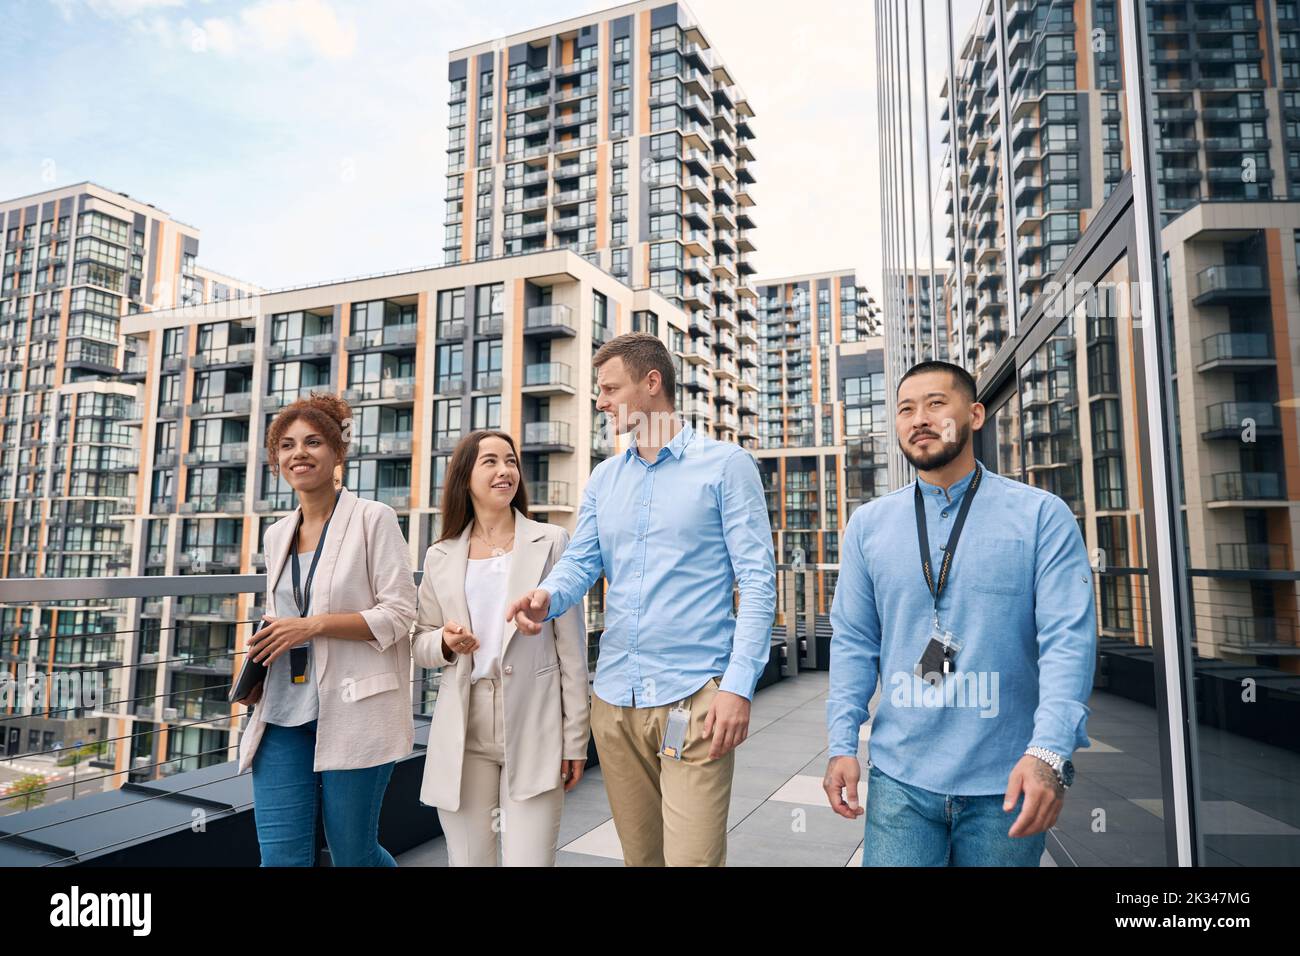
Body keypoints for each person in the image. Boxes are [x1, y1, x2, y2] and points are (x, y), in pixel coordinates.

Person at [506, 333, 776, 867]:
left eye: (610, 388)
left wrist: (738, 686)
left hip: (695, 696)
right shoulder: (605, 479)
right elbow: (582, 562)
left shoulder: (726, 466)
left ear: (652, 383)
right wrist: (546, 597)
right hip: (614, 702)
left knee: (692, 860)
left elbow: (758, 581)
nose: (600, 401)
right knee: (641, 860)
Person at [823, 360, 1097, 866]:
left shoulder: (1040, 516)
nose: (918, 418)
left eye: (935, 403)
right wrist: (842, 743)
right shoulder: (869, 526)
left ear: (974, 415)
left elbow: (1069, 641)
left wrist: (1049, 753)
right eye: (906, 408)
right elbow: (854, 641)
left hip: (1006, 780)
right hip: (899, 781)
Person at [235, 392, 417, 867]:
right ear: (277, 459)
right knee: (280, 860)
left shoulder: (373, 519)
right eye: (288, 445)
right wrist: (258, 669)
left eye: (313, 442)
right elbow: (284, 615)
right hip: (281, 710)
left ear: (337, 453)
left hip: (355, 707)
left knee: (353, 855)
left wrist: (313, 626)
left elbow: (400, 614)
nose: (300, 453)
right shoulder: (276, 534)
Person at [412, 430, 589, 866]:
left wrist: (575, 741)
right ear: (464, 477)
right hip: (464, 726)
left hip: (535, 721)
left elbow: (572, 651)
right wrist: (447, 644)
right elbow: (419, 643)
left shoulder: (550, 543)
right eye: (489, 461)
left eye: (510, 461)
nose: (504, 470)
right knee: (469, 860)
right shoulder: (441, 555)